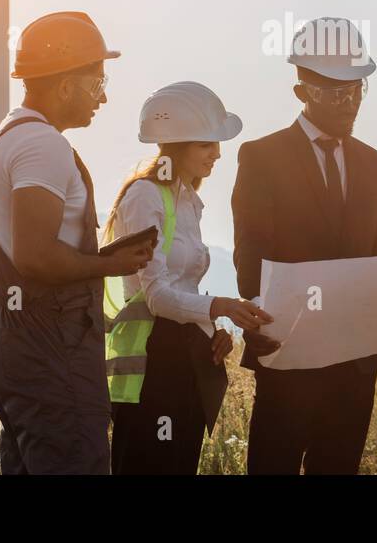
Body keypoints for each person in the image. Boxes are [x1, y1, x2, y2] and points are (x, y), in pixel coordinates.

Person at [0, 11, 154, 475]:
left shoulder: (4, 137)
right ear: (66, 85)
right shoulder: (42, 146)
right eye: (97, 82)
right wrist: (110, 266)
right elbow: (34, 257)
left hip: (17, 335)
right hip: (51, 338)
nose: (104, 96)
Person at [233, 16, 377, 475]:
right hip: (287, 358)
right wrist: (258, 322)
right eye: (336, 93)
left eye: (357, 91)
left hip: (354, 370)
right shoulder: (261, 157)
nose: (350, 104)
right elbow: (249, 256)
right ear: (302, 92)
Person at [104, 82, 273, 474]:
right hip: (152, 371)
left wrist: (210, 328)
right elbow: (157, 296)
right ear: (176, 145)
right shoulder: (145, 197)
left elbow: (183, 291)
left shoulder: (187, 201)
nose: (217, 153)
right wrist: (223, 306)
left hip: (184, 364)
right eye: (206, 144)